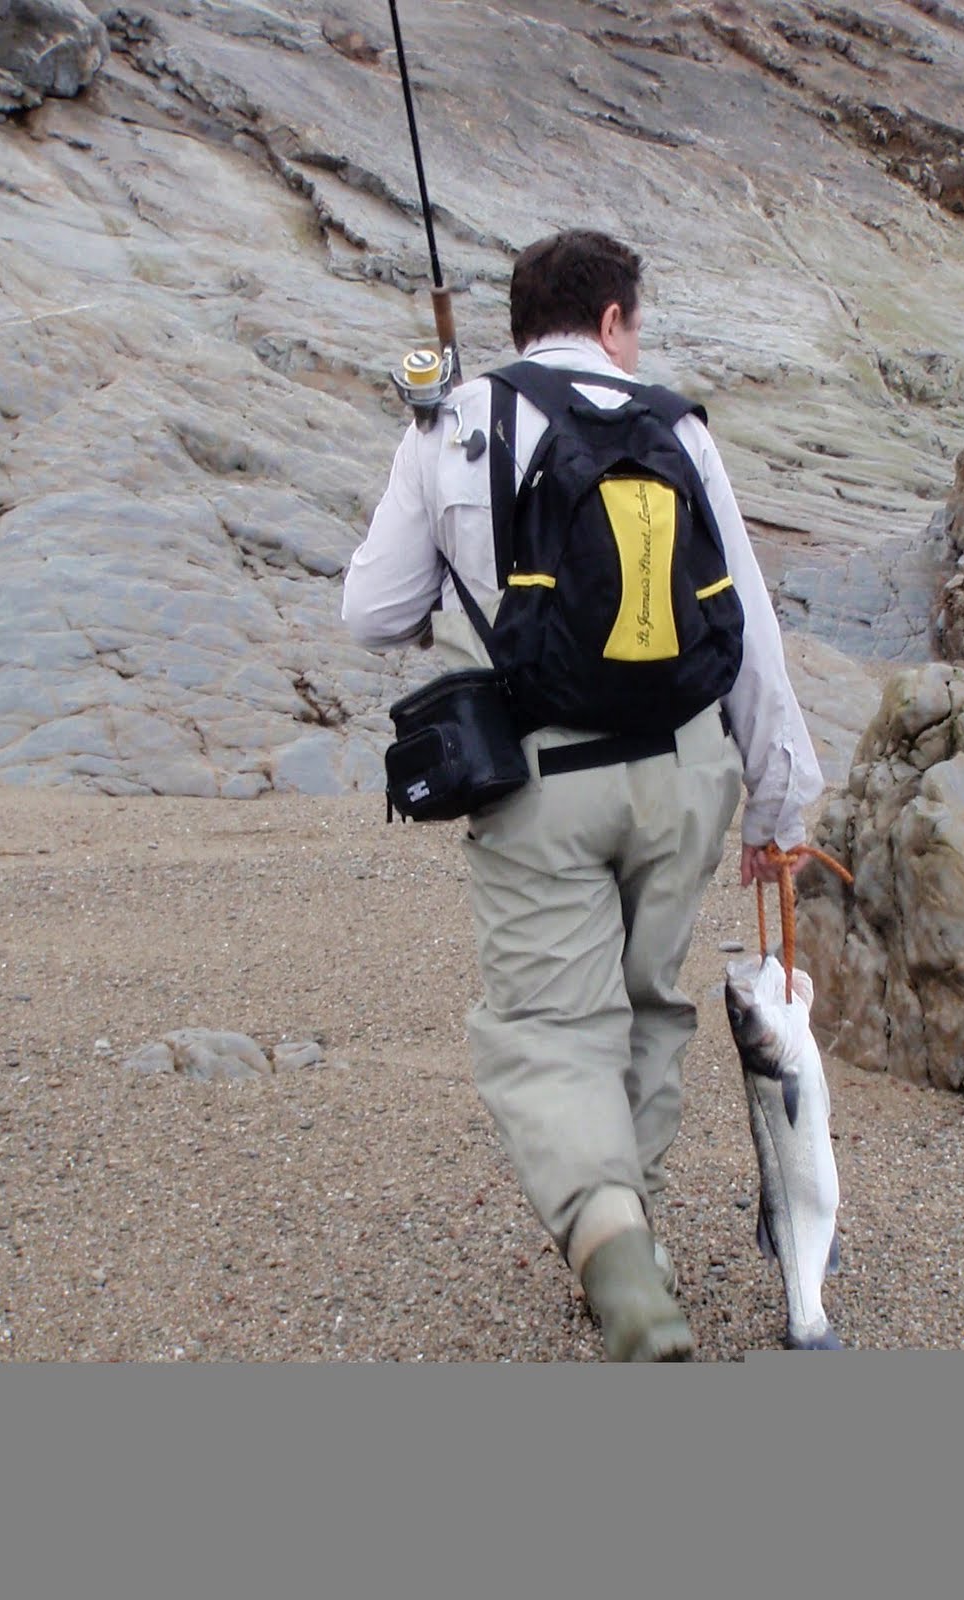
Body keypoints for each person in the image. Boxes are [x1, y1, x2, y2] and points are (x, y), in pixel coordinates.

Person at [342, 229, 823, 1361]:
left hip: (542, 780)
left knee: (552, 1027)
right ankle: (631, 1226)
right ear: (615, 320)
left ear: (522, 322)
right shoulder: (678, 426)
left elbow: (371, 612)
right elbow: (746, 623)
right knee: (652, 1007)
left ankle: (617, 1254)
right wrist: (778, 805)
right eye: (637, 323)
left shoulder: (453, 425)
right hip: (686, 773)